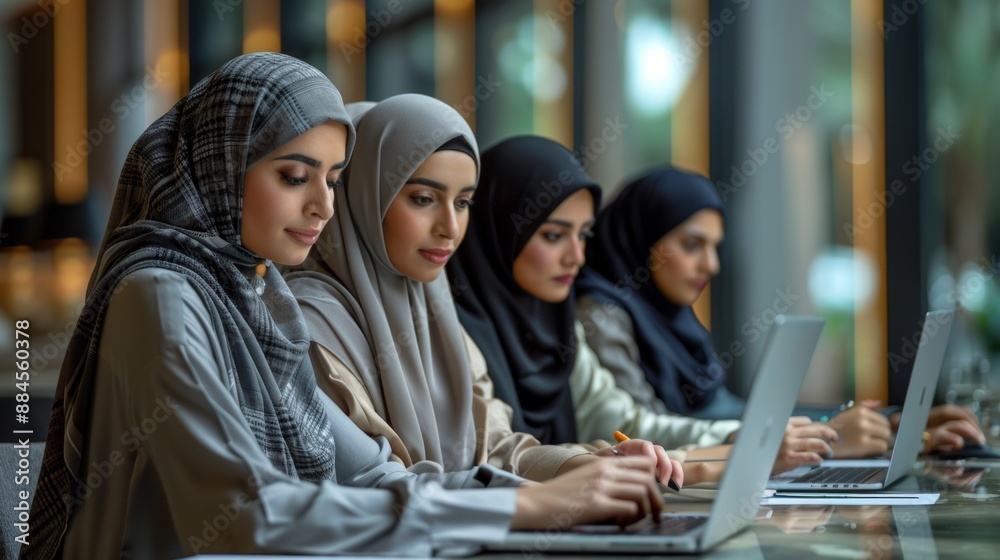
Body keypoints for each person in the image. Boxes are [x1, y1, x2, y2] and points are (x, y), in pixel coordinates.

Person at [23, 54, 665, 559]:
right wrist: (524, 509)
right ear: (223, 167)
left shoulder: (255, 295)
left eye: (332, 181)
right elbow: (247, 515)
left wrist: (576, 486)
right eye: (294, 177)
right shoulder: (160, 294)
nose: (323, 207)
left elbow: (370, 482)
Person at [285, 94, 679, 484]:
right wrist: (537, 502)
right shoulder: (306, 323)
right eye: (423, 199)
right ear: (366, 198)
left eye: (462, 202)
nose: (450, 228)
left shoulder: (435, 309)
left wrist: (583, 464)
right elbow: (378, 487)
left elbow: (497, 450)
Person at [446, 136, 839, 479]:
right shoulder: (452, 331)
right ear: (497, 230)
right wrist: (732, 452)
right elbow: (499, 458)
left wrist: (753, 439)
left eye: (583, 236)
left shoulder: (557, 324)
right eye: (552, 235)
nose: (577, 257)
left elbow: (625, 421)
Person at [575, 166, 985, 457]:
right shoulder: (600, 314)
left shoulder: (669, 319)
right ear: (640, 238)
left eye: (715, 247)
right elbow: (639, 432)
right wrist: (816, 438)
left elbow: (725, 410)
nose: (711, 265)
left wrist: (886, 424)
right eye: (691, 244)